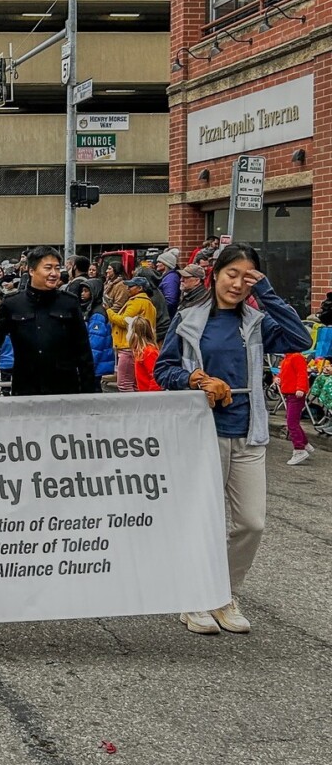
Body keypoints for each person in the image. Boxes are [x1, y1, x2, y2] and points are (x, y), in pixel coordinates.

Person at [154, 243, 312, 635]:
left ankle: (223, 593)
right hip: (202, 435)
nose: (238, 283)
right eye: (232, 274)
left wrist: (268, 293)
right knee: (201, 522)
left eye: (248, 277)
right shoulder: (189, 319)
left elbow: (300, 340)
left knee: (251, 523)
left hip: (249, 433)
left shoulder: (259, 323)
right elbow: (164, 369)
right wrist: (193, 379)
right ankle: (194, 597)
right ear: (215, 275)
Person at [0, 246, 97, 395]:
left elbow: (83, 348)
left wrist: (89, 390)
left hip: (64, 389)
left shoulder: (69, 303)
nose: (54, 274)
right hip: (26, 388)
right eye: (48, 268)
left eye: (57, 268)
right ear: (32, 271)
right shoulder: (12, 303)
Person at [106, 273, 155, 391]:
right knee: (135, 384)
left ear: (140, 288)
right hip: (139, 345)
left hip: (128, 347)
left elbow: (124, 321)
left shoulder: (136, 302)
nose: (128, 289)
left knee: (124, 384)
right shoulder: (149, 303)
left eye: (131, 286)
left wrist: (109, 311)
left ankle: (128, 409)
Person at [72, 278, 113, 388]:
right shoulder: (88, 310)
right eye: (82, 291)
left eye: (86, 291)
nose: (82, 294)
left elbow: (95, 344)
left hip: (94, 367)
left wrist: (86, 366)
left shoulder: (97, 314)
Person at [278, 350, 313, 466]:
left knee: (291, 423)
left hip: (295, 394)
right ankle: (304, 444)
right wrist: (278, 378)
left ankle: (299, 449)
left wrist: (301, 388)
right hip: (291, 393)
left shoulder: (295, 357)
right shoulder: (287, 358)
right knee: (293, 421)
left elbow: (301, 373)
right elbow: (284, 373)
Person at [128, 315, 161, 392]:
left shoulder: (149, 352)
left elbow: (156, 377)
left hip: (149, 397)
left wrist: (149, 397)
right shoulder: (142, 351)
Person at [155, 249, 181, 318]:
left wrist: (160, 314)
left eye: (159, 262)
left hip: (168, 317)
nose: (156, 264)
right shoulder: (168, 276)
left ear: (166, 263)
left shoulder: (171, 278)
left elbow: (170, 301)